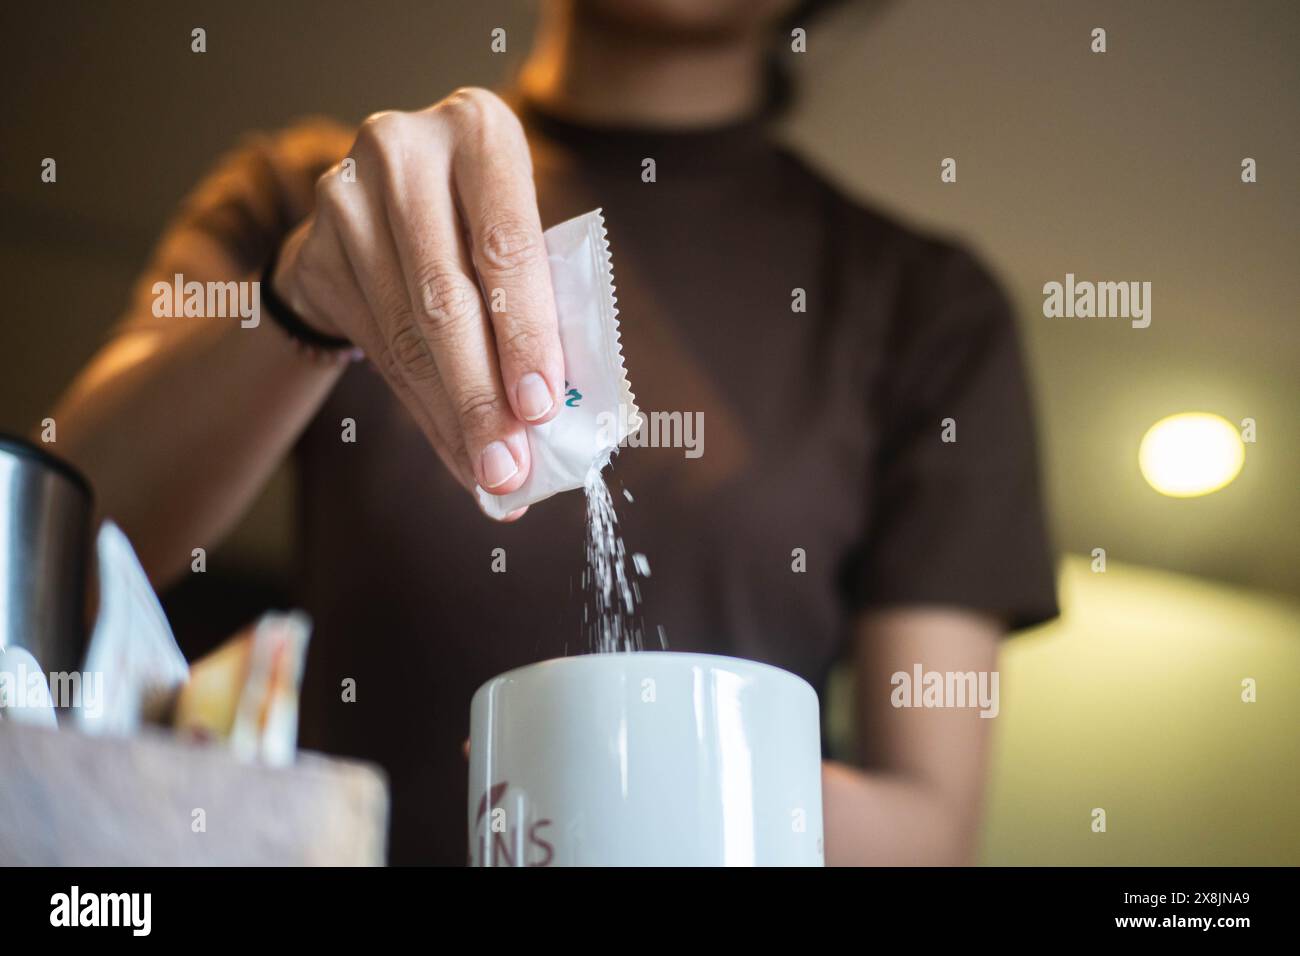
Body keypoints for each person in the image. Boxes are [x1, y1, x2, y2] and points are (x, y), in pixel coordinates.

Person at [50, 0, 1056, 865]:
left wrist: (661, 777)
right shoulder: (317, 197)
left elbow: (931, 824)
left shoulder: (924, 307)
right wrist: (301, 305)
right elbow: (52, 550)